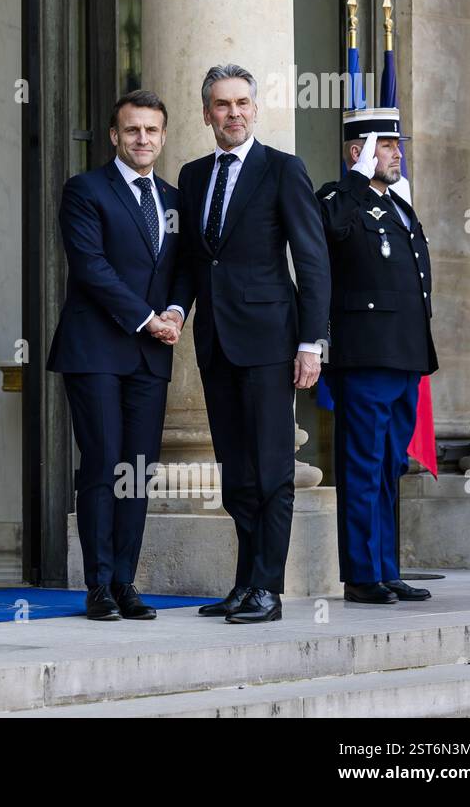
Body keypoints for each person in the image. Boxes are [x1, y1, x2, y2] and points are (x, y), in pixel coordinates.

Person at [167, 64, 330, 624]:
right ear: (207, 112)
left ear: (254, 109)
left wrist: (312, 342)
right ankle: (243, 584)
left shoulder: (283, 170)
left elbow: (312, 262)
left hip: (270, 343)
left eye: (241, 103)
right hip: (215, 343)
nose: (232, 113)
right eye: (220, 104)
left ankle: (269, 588)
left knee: (272, 469)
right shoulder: (192, 176)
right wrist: (173, 310)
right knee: (236, 472)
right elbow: (193, 260)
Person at [47, 90, 182, 621]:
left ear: (163, 136)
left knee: (138, 469)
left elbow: (183, 268)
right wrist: (148, 319)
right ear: (114, 136)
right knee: (103, 465)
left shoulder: (174, 199)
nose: (142, 139)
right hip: (96, 349)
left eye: (151, 131)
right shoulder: (85, 190)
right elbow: (90, 265)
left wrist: (174, 311)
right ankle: (98, 585)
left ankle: (127, 582)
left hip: (150, 355)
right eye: (132, 131)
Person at [317, 109, 437, 603]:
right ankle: (362, 575)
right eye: (386, 145)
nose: (397, 152)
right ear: (358, 151)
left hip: (404, 355)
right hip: (365, 356)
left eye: (396, 144)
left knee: (390, 465)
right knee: (363, 464)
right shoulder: (337, 198)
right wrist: (355, 180)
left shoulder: (399, 206)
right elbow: (330, 235)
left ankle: (387, 568)